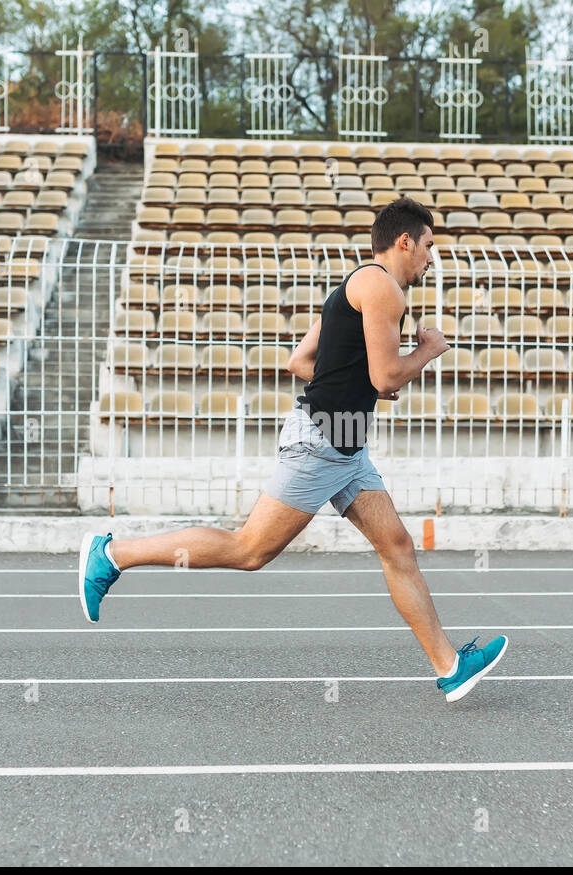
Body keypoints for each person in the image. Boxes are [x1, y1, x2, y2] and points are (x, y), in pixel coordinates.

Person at [80, 197, 507, 702]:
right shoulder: (383, 289)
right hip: (323, 442)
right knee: (248, 551)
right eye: (429, 247)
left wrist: (368, 384)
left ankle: (450, 666)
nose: (431, 260)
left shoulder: (353, 285)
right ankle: (112, 555)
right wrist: (427, 351)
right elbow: (386, 374)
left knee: (396, 545)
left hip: (346, 448)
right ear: (404, 241)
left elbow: (301, 361)